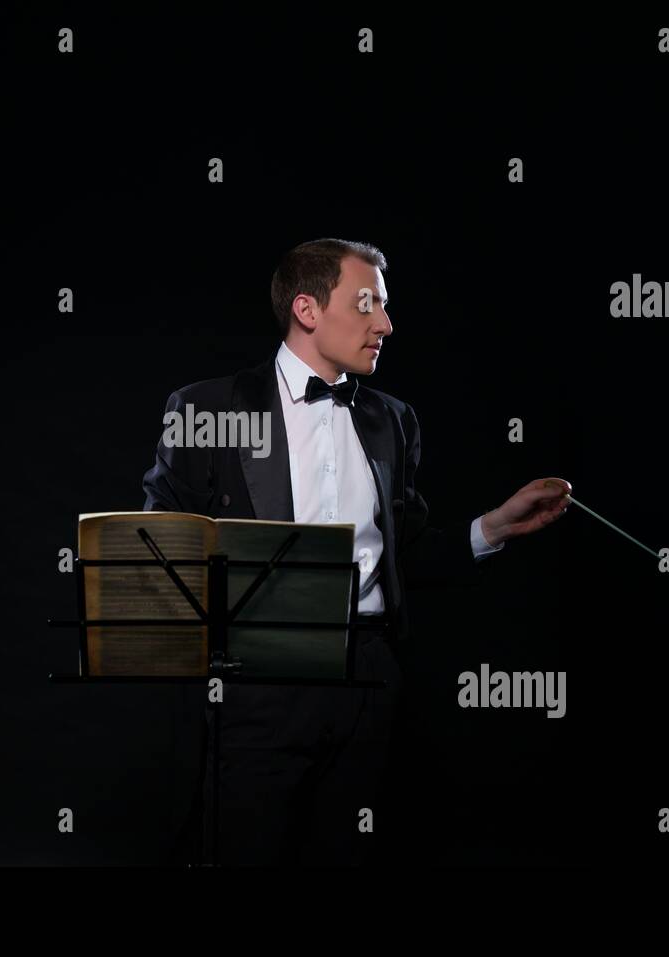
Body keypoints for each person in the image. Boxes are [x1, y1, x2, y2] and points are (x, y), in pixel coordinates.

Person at [142, 238, 571, 865]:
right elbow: (160, 547)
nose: (386, 325)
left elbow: (406, 554)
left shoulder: (393, 420)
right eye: (368, 304)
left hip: (370, 680)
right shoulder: (207, 409)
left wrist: (494, 528)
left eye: (386, 307)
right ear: (308, 310)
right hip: (258, 681)